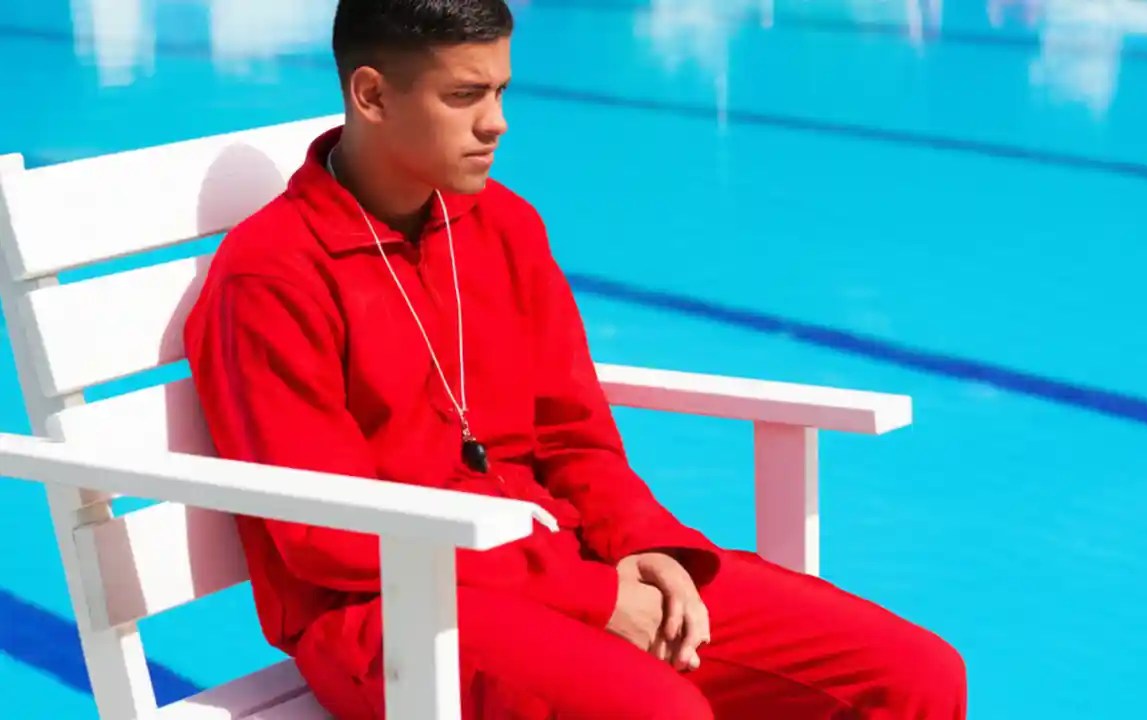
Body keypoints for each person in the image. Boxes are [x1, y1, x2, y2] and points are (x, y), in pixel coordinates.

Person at [182, 1, 967, 717]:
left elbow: (573, 436)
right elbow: (331, 541)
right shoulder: (272, 278)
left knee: (914, 674)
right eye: (465, 97)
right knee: (658, 712)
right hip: (386, 613)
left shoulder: (504, 228)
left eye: (500, 91)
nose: (497, 124)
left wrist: (645, 549)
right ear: (373, 95)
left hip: (562, 560)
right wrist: (592, 596)